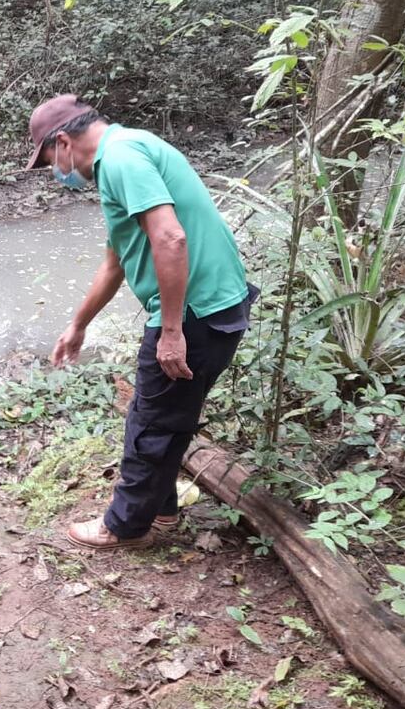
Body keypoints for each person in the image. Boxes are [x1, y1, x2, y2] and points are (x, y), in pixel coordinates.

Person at [25, 94, 255, 551]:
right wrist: (78, 325)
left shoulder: (121, 160)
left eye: (50, 160)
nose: (56, 172)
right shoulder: (129, 148)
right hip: (213, 306)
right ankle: (162, 510)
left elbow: (171, 238)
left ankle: (125, 527)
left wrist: (171, 331)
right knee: (167, 414)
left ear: (64, 142)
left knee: (151, 421)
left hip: (195, 312)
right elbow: (116, 261)